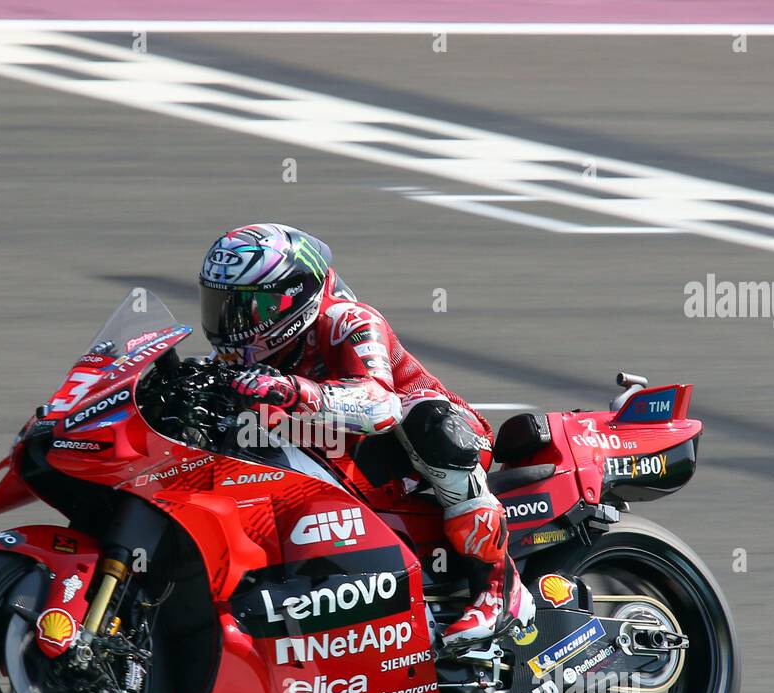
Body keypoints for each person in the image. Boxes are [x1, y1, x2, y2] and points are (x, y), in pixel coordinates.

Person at [198, 222, 534, 648]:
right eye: (220, 304)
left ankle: (499, 589)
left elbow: (379, 403)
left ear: (292, 297)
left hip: (429, 441)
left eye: (247, 308)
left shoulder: (347, 320)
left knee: (426, 419)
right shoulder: (235, 354)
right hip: (342, 452)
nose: (230, 322)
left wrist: (296, 389)